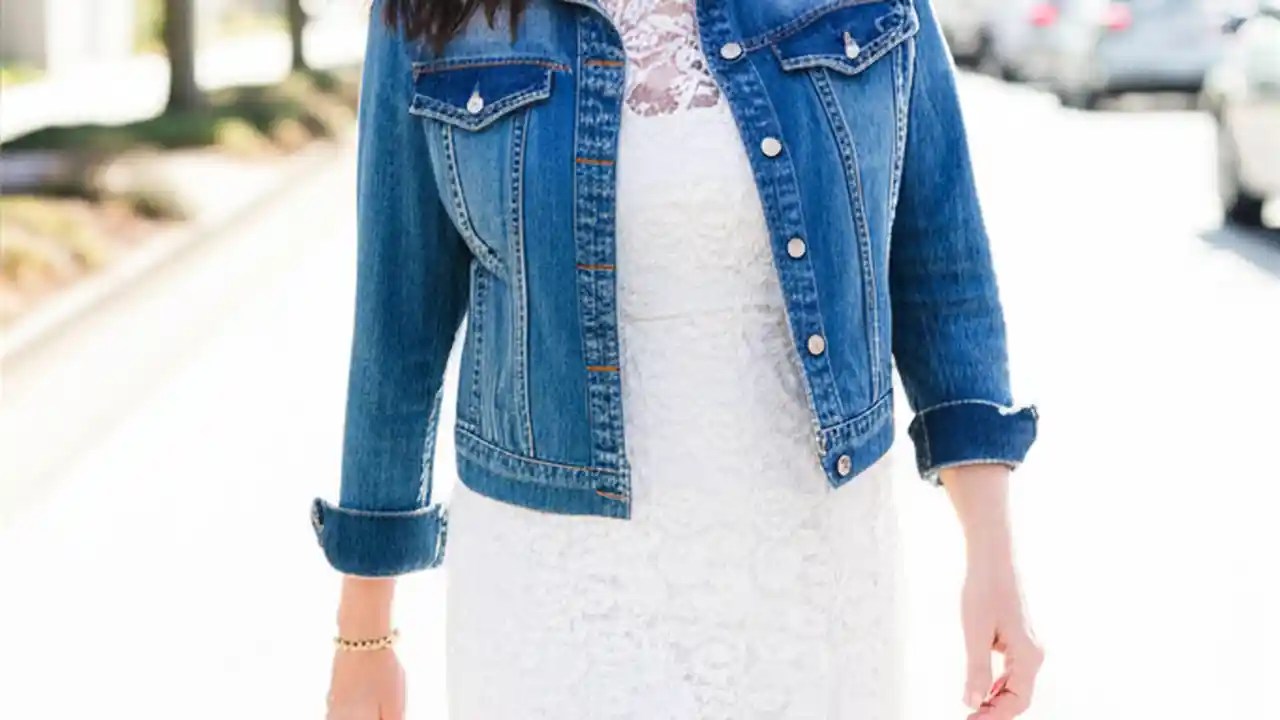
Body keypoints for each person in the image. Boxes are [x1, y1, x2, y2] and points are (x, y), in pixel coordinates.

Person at [314, 0, 1043, 718]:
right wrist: (364, 636)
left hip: (812, 589)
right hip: (557, 596)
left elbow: (942, 265)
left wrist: (992, 554)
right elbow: (396, 324)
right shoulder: (433, 14)